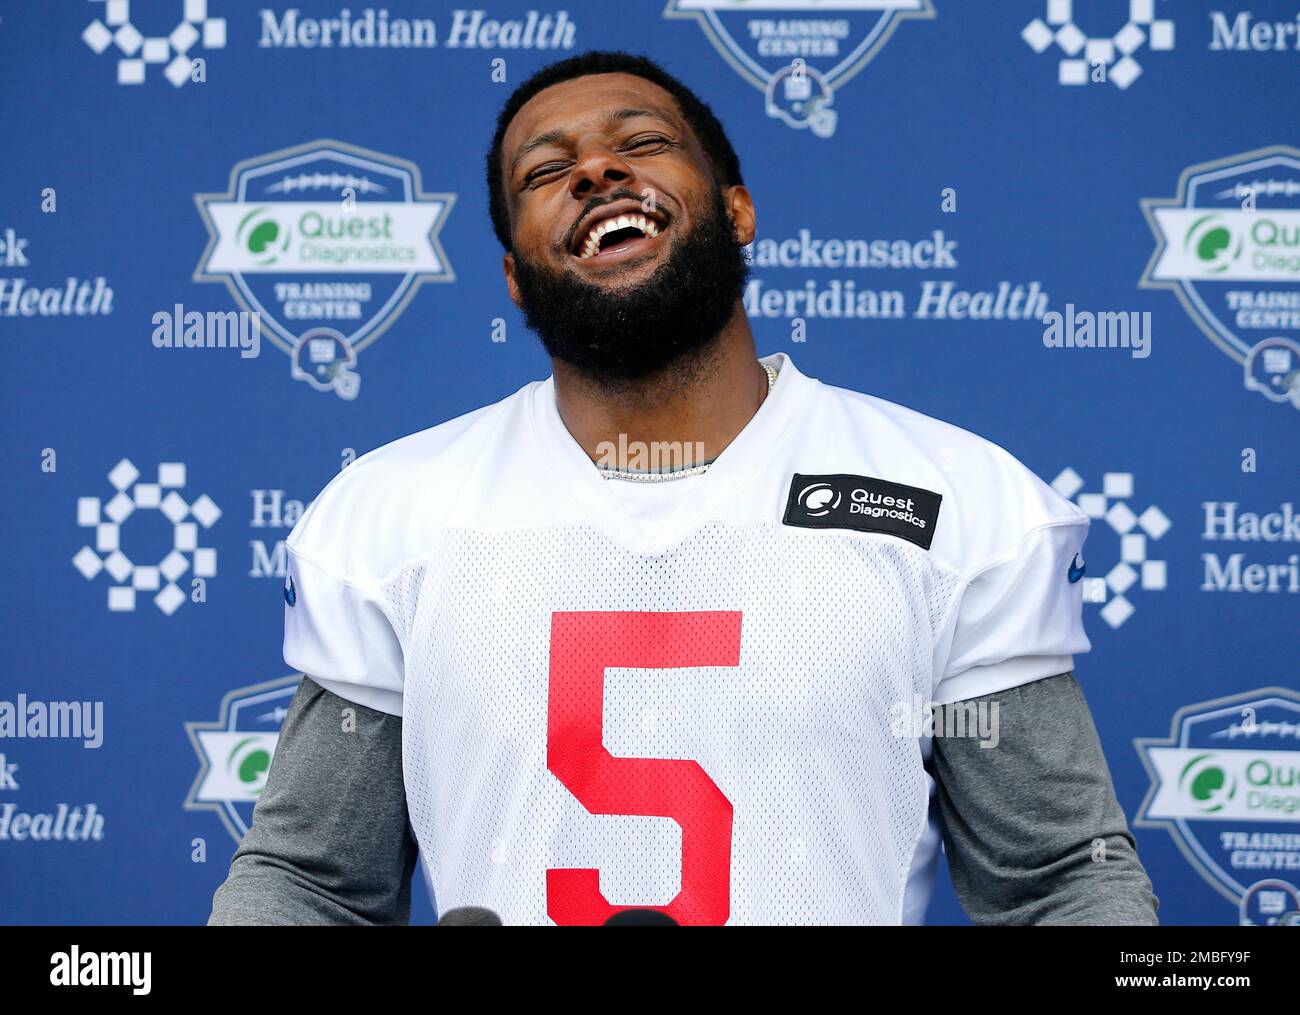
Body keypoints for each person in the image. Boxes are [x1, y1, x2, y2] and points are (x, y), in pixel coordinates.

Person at [209, 50, 1158, 926]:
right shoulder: (395, 515)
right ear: (512, 275)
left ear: (737, 212)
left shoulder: (952, 502)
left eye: (642, 144)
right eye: (546, 172)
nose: (594, 172)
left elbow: (1057, 879)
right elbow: (311, 881)